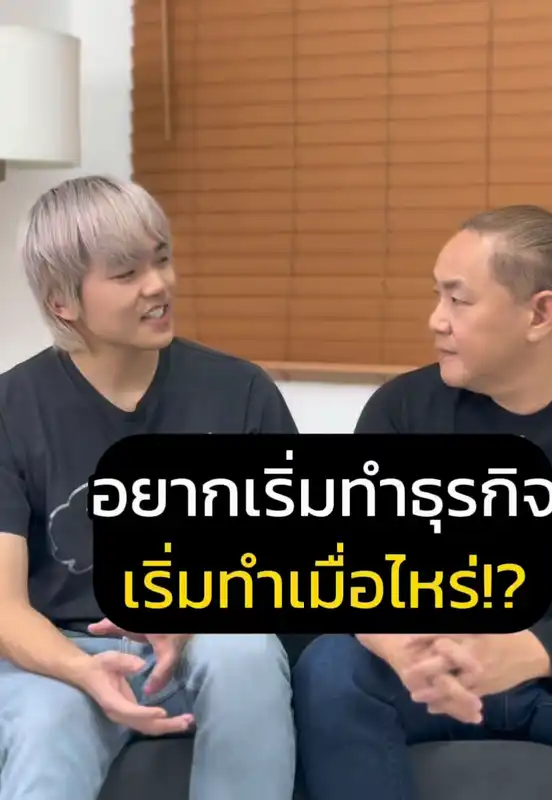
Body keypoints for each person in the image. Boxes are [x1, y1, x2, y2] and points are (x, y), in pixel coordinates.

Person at [293, 205, 552, 800]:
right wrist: (405, 652)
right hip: (434, 679)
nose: (436, 320)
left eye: (458, 300)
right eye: (437, 296)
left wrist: (533, 652)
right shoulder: (402, 411)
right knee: (331, 666)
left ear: (540, 314)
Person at [0, 175, 298, 799]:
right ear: (63, 302)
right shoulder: (11, 409)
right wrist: (81, 670)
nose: (158, 285)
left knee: (242, 653)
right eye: (126, 273)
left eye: (161, 259)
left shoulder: (241, 392)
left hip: (205, 633)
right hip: (58, 651)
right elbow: (5, 608)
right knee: (51, 718)